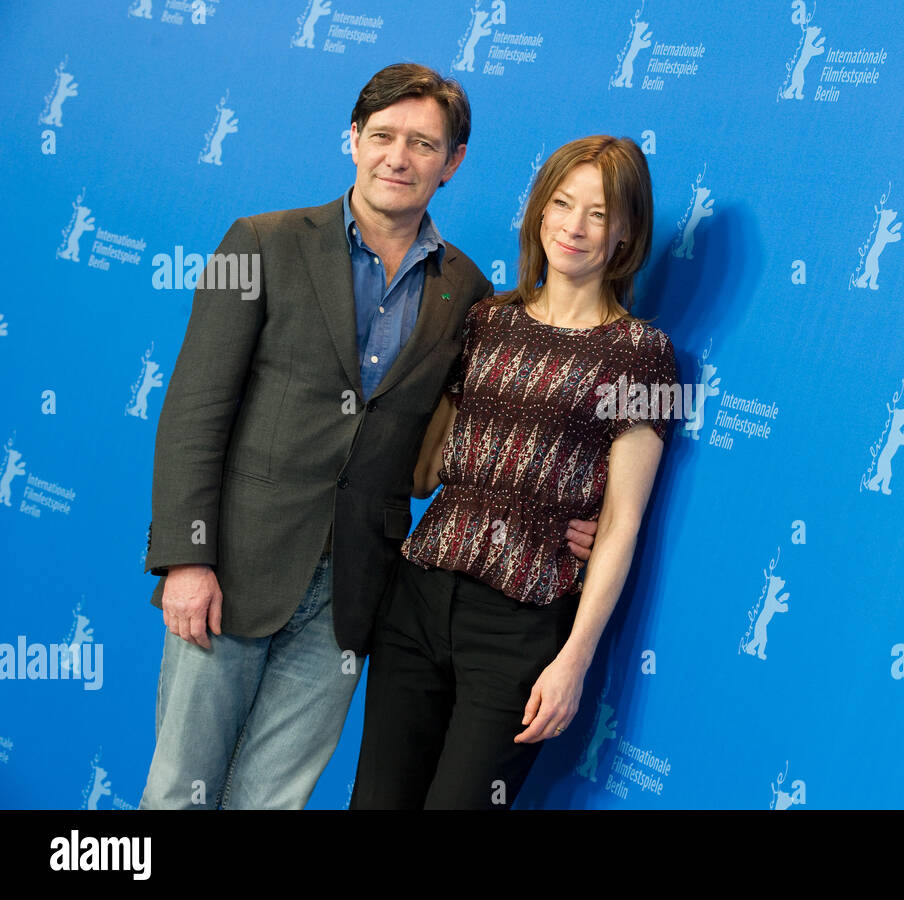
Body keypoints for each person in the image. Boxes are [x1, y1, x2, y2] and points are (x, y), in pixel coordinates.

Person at [139, 64, 597, 810]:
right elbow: (194, 410)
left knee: (273, 800)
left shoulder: (467, 292)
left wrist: (571, 514)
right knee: (178, 794)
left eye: (424, 144)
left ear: (452, 162)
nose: (398, 157)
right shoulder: (259, 242)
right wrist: (187, 559)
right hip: (233, 567)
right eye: (383, 135)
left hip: (353, 593)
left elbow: (478, 436)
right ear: (353, 139)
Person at [350, 135, 678, 810]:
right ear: (539, 210)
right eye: (562, 203)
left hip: (522, 623)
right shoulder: (485, 320)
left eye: (599, 213)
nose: (574, 226)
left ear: (626, 232)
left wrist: (575, 659)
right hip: (417, 597)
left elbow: (622, 524)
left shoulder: (642, 355)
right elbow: (427, 469)